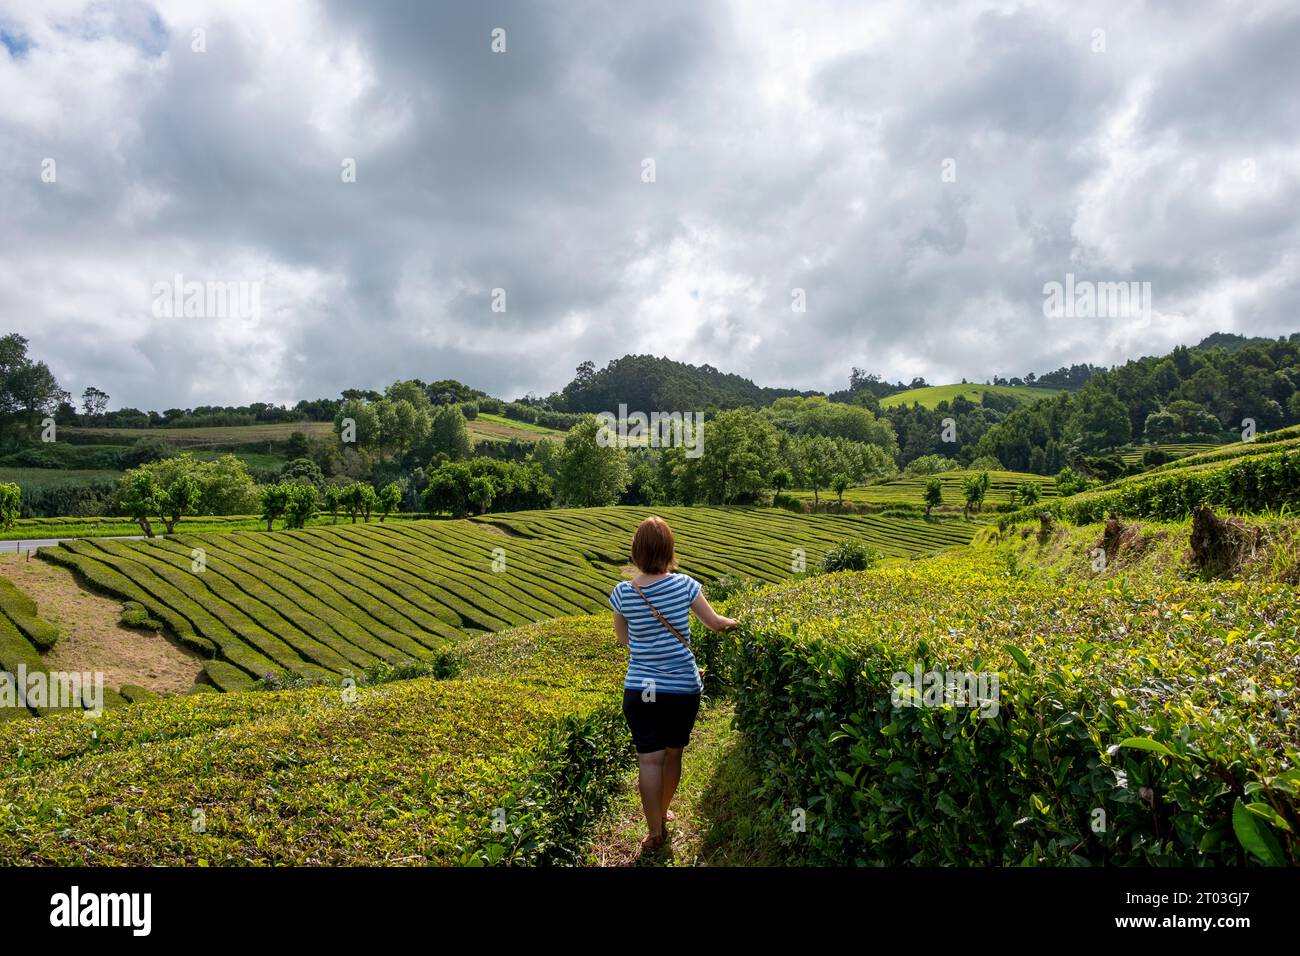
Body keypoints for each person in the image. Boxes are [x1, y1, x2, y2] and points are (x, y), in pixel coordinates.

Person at [609, 515, 737, 852]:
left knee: (648, 760)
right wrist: (737, 621)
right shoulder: (685, 585)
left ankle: (653, 831)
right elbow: (714, 623)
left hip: (641, 689)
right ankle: (663, 814)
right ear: (669, 550)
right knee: (673, 755)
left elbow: (623, 640)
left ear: (636, 551)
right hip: (681, 688)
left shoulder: (622, 592)